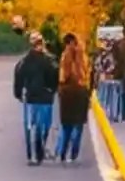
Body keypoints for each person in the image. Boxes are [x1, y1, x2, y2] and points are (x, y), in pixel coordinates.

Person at [13, 32, 58, 165]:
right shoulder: (49, 60)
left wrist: (18, 94)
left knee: (31, 127)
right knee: (43, 126)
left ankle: (33, 154)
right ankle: (39, 152)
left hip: (32, 98)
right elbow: (55, 76)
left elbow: (18, 78)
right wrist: (52, 90)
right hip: (44, 98)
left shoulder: (24, 61)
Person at [57, 32, 91, 163]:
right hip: (81, 91)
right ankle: (74, 154)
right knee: (78, 125)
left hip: (67, 93)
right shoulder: (83, 57)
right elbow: (88, 74)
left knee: (66, 125)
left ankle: (63, 153)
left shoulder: (65, 57)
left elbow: (62, 77)